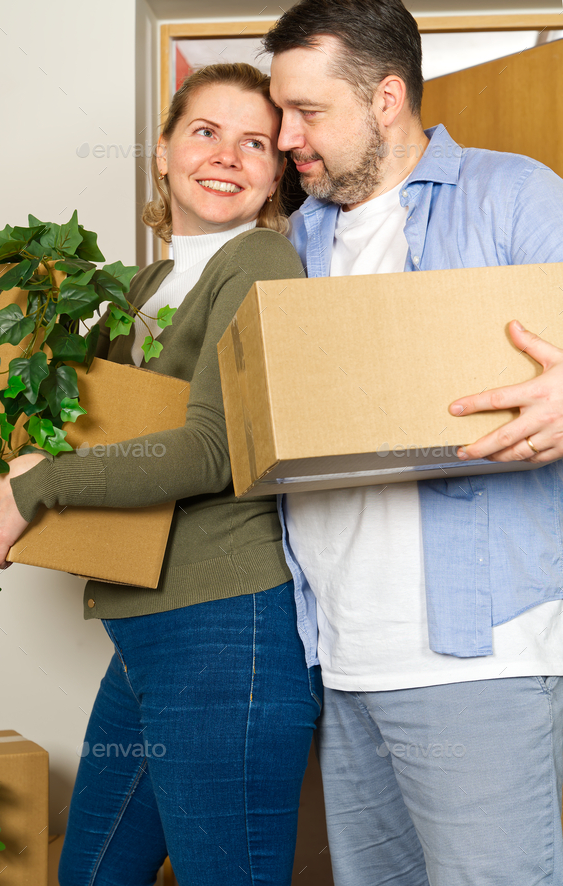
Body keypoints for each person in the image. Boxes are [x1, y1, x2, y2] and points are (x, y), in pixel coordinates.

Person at [0, 63, 322, 886]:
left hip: (224, 630)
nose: (228, 156)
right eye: (205, 132)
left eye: (255, 142)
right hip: (145, 633)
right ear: (163, 152)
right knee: (92, 875)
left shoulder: (261, 263)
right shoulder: (141, 287)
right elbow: (91, 422)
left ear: (279, 171)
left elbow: (213, 447)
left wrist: (37, 483)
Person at [264, 2, 563, 884]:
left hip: (478, 657)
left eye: (307, 112)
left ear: (387, 96)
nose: (285, 137)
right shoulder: (300, 239)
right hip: (342, 658)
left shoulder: (515, 194)